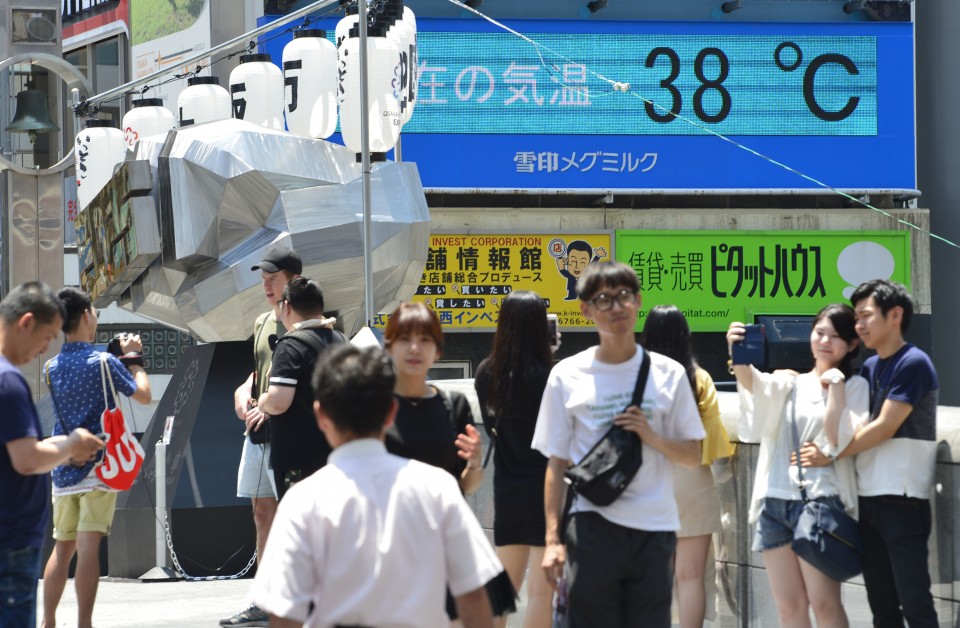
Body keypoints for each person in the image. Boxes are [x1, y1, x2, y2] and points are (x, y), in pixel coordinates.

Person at [249, 344, 501, 628]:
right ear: (392, 411)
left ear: (320, 415)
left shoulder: (300, 502)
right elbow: (475, 599)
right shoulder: (438, 488)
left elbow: (285, 616)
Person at [533, 261, 704, 628]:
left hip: (655, 528)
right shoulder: (566, 375)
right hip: (592, 524)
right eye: (604, 300)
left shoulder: (669, 373)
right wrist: (552, 540)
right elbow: (556, 464)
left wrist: (651, 435)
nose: (616, 307)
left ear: (638, 301)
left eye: (624, 296)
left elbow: (692, 455)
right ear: (586, 310)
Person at [799, 280, 939, 627]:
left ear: (895, 315)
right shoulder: (872, 368)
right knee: (882, 605)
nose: (859, 325)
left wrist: (830, 454)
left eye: (865, 316)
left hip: (903, 498)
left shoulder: (914, 362)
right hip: (868, 499)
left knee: (915, 602)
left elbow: (885, 427)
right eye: (857, 317)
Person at [728, 303, 868, 628]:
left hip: (821, 503)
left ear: (852, 344)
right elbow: (755, 387)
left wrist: (835, 386)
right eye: (819, 332)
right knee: (789, 606)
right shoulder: (790, 382)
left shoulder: (855, 386)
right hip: (774, 502)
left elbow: (839, 437)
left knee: (824, 604)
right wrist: (738, 356)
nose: (824, 341)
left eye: (835, 336)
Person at [40, 288, 152, 628]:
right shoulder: (104, 362)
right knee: (89, 547)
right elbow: (144, 396)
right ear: (87, 315)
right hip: (101, 467)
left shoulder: (51, 367)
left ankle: (47, 622)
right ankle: (84, 623)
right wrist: (134, 360)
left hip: (64, 469)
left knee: (62, 549)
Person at [0, 282, 103, 628]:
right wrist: (71, 445)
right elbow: (27, 458)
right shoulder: (10, 382)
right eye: (46, 337)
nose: (46, 350)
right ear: (26, 322)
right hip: (12, 538)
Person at [640, 304, 735, 628]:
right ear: (685, 336)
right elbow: (713, 438)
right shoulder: (698, 377)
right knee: (691, 576)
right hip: (693, 479)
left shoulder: (635, 376)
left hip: (647, 482)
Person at [223, 245, 301, 627]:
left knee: (294, 517)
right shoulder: (260, 322)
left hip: (288, 431)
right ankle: (263, 600)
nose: (267, 285)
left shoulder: (307, 321)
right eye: (264, 279)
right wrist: (242, 393)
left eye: (274, 279)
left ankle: (294, 599)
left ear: (294, 281)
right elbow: (258, 372)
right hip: (256, 430)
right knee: (261, 513)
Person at [474, 291, 553, 628]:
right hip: (547, 490)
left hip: (507, 488)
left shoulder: (486, 373)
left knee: (502, 588)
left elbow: (493, 430)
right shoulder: (551, 377)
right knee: (541, 593)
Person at [256, 277, 345, 500]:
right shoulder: (342, 341)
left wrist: (262, 401)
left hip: (298, 461)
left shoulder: (290, 346)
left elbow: (278, 402)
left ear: (286, 306)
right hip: (338, 456)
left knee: (302, 527)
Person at [383, 301, 483, 494]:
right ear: (389, 347)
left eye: (425, 339)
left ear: (437, 350)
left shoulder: (455, 405)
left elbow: (466, 487)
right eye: (404, 339)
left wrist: (475, 463)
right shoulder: (373, 406)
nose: (414, 348)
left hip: (443, 522)